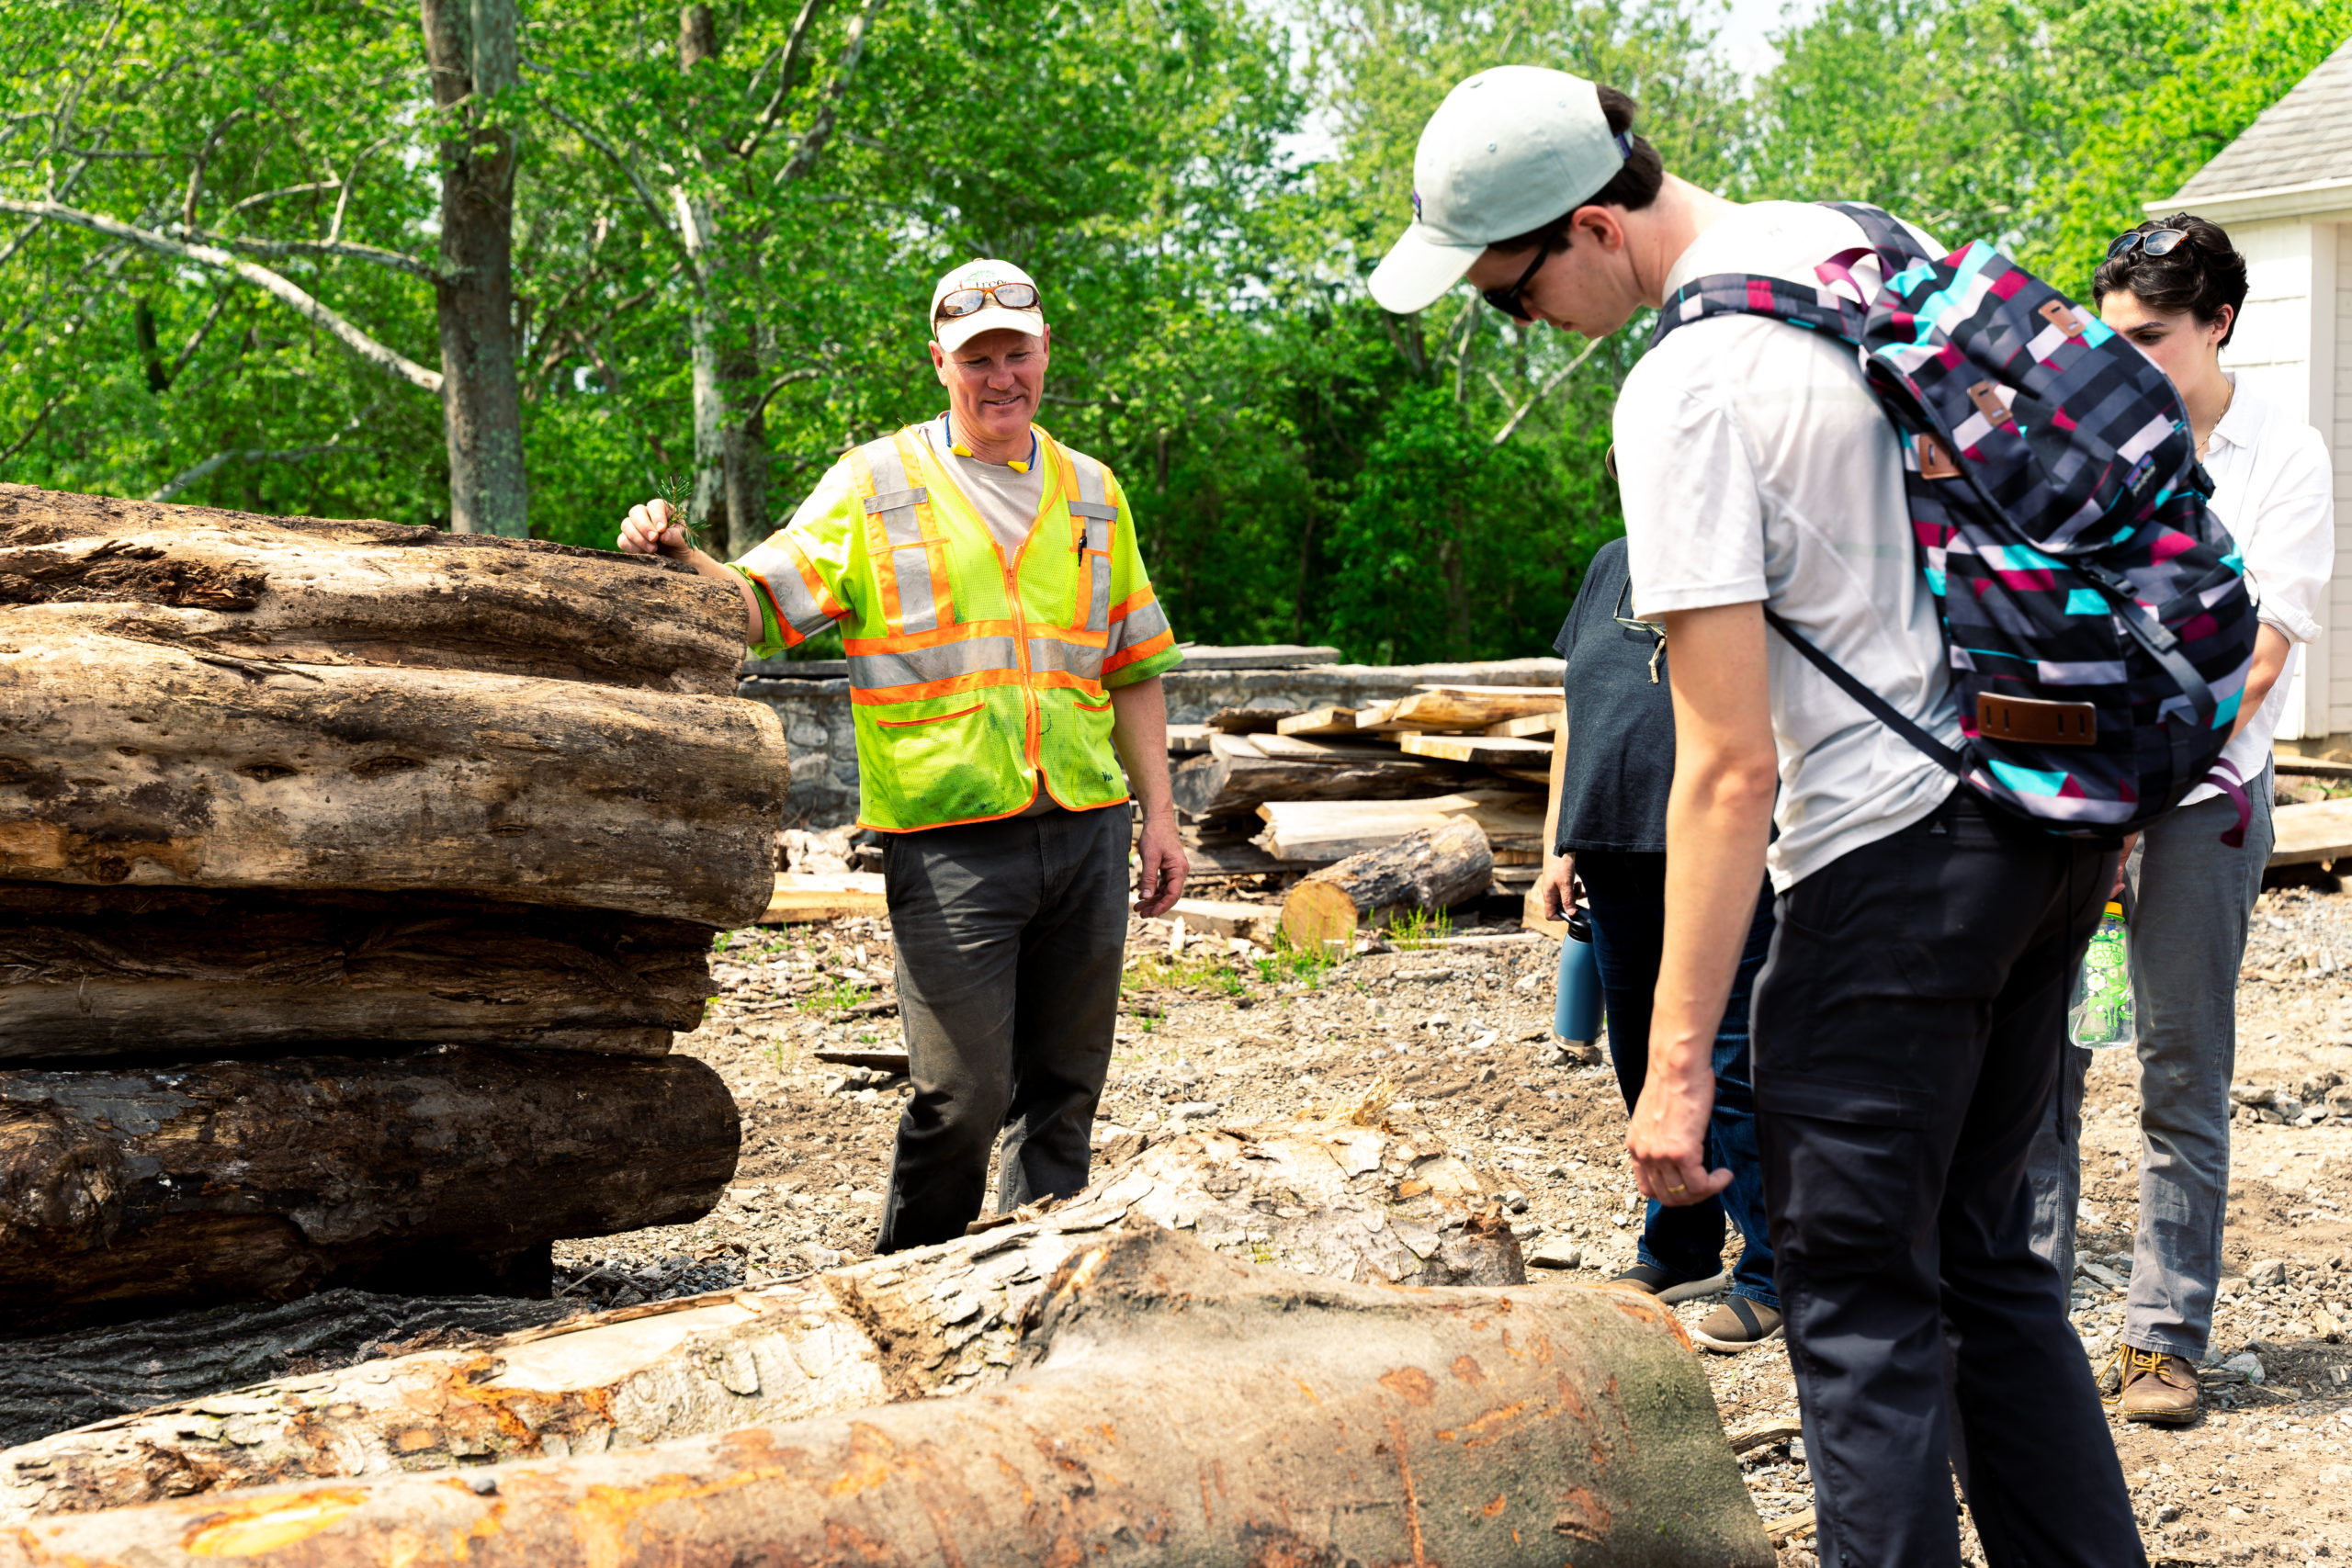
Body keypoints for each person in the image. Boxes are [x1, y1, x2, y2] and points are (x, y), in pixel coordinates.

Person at [1369, 66, 2143, 1565]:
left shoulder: (1691, 381)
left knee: (1859, 1314)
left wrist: (1671, 1074)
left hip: (1892, 875)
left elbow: (1729, 763)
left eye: (1507, 295)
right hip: (2051, 824)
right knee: (1991, 1275)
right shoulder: (1878, 245)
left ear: (1592, 228)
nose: (1514, 325)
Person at [619, 258, 1189, 1253]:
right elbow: (759, 609)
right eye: (977, 359)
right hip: (951, 841)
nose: (1000, 376)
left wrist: (1162, 821)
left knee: (1063, 1094)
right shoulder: (873, 484)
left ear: (1045, 355)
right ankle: (903, 1289)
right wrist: (680, 564)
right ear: (940, 363)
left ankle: (1034, 1299)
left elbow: (1134, 663)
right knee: (959, 1098)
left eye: (1017, 353)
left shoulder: (1094, 492)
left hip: (1088, 830)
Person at [2023, 215, 2333, 1423]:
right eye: (2112, 337)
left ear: (2220, 322)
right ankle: (2027, 1320)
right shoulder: (2084, 446)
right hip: (2076, 806)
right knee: (2040, 1063)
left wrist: (2141, 788)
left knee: (2180, 1072)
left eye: (2151, 336)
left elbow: (2256, 658)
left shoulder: (2283, 455)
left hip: (2198, 807)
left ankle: (2161, 1339)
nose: (2127, 359)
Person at [1535, 536, 1781, 1351]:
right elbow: (1577, 713)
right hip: (1613, 845)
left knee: (1736, 1062)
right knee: (1641, 1059)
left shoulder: (1747, 550)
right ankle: (1680, 1246)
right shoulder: (1608, 561)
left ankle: (1778, 1269)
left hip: (1720, 850)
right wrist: (1559, 843)